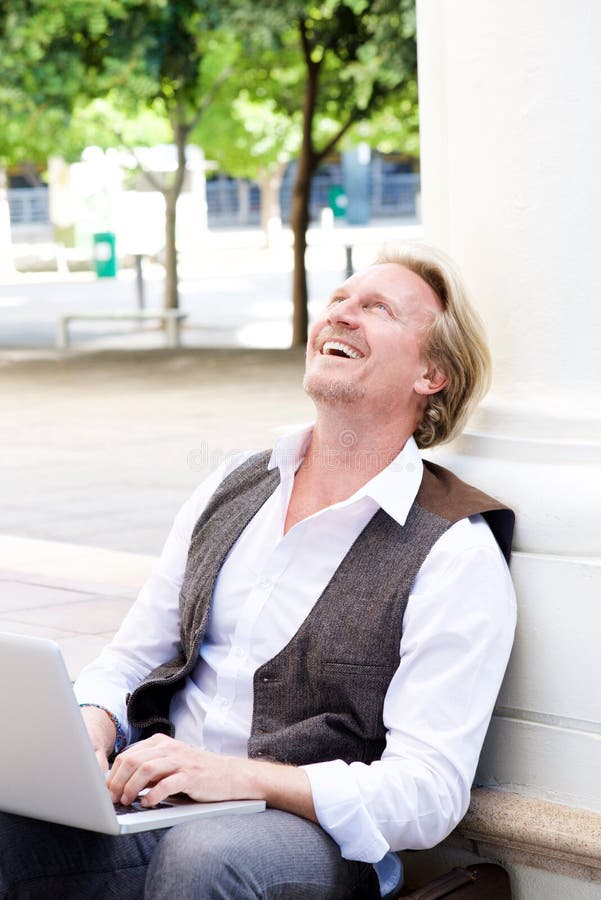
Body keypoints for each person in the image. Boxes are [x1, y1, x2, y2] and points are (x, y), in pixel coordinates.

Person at [0, 243, 516, 900]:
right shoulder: (234, 485)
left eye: (377, 308)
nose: (343, 314)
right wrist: (93, 720)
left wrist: (243, 778)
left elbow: (429, 791)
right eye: (337, 300)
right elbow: (131, 657)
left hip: (299, 835)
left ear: (431, 375)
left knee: (206, 859)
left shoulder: (453, 549)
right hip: (160, 807)